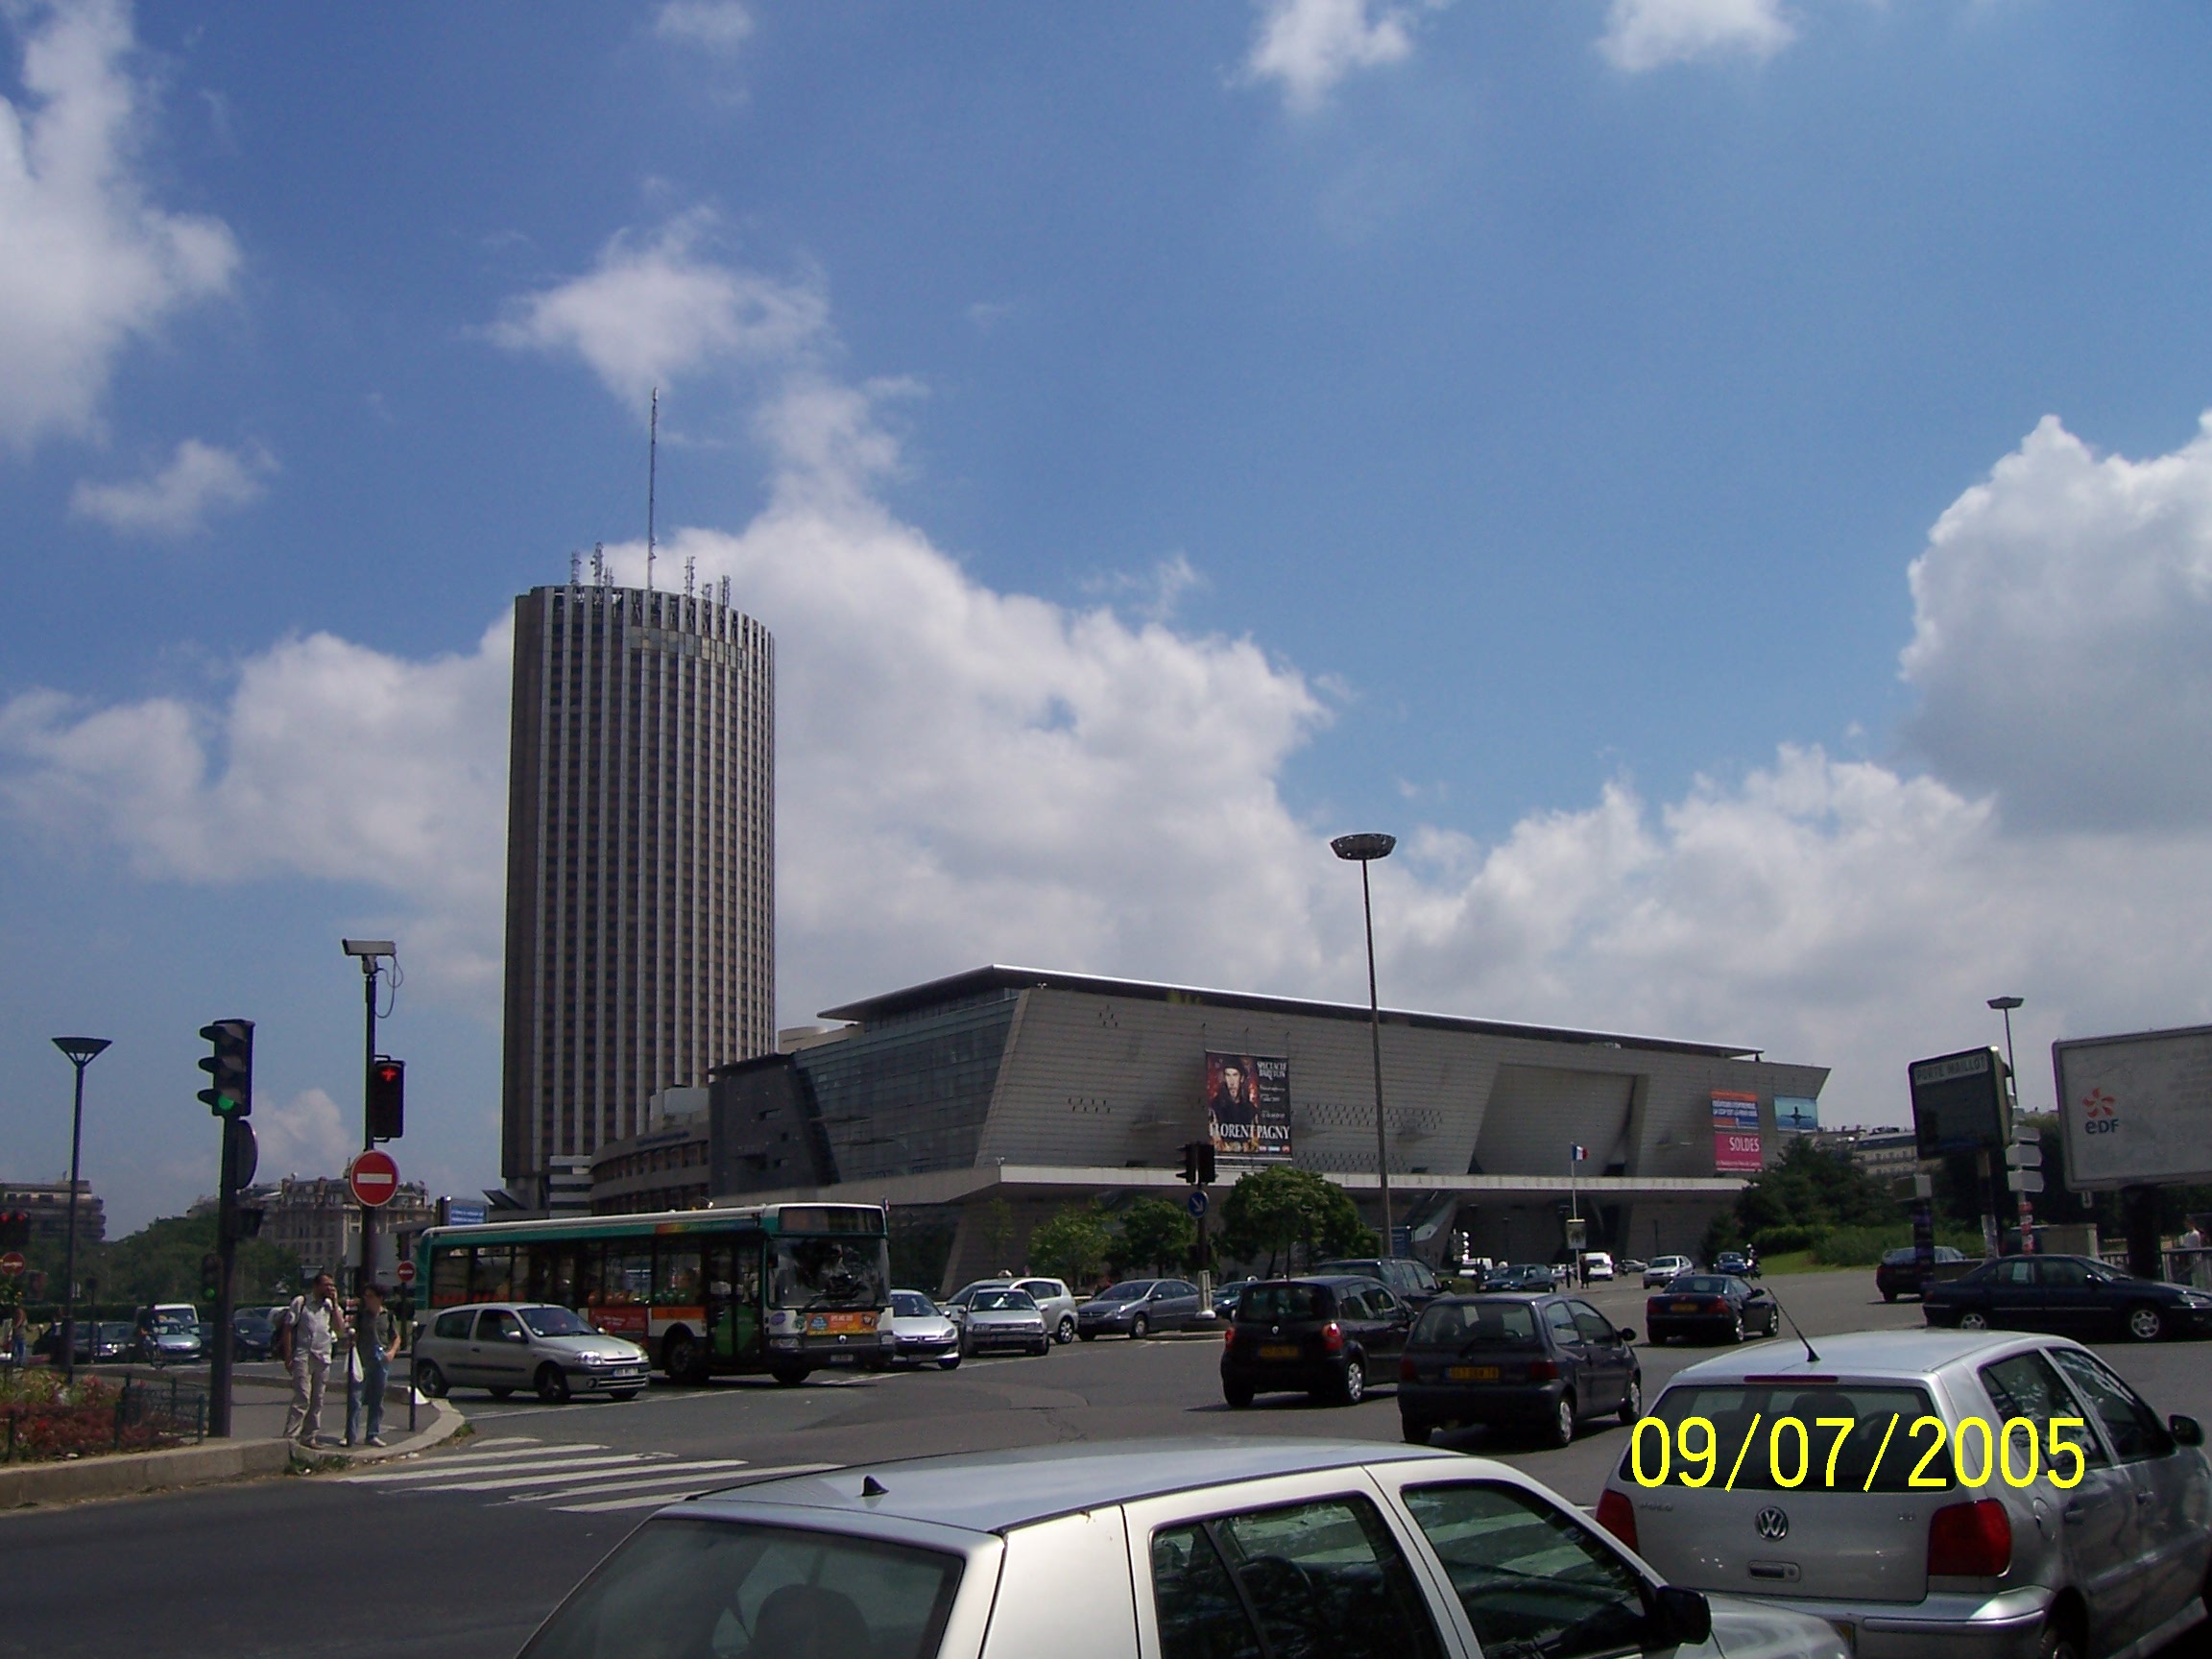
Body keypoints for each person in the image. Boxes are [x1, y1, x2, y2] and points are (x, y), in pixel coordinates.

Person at [280, 1273, 349, 1448]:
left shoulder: (330, 1306)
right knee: (303, 1396)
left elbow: (340, 1329)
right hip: (304, 1355)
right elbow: (288, 1329)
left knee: (317, 1399)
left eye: (332, 1285)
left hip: (323, 1356)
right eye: (326, 1285)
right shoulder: (301, 1302)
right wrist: (288, 1357)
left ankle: (309, 1436)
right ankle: (290, 1437)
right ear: (316, 1286)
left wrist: (335, 1304)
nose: (330, 1289)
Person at [346, 1283, 402, 1448]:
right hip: (363, 1361)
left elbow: (396, 1337)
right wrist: (351, 1343)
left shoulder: (388, 1316)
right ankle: (350, 1436)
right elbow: (352, 1334)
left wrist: (392, 1352)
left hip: (381, 1361)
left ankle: (372, 1434)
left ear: (380, 1298)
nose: (367, 1299)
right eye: (366, 1296)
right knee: (355, 1399)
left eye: (370, 1296)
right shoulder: (361, 1316)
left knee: (377, 1400)